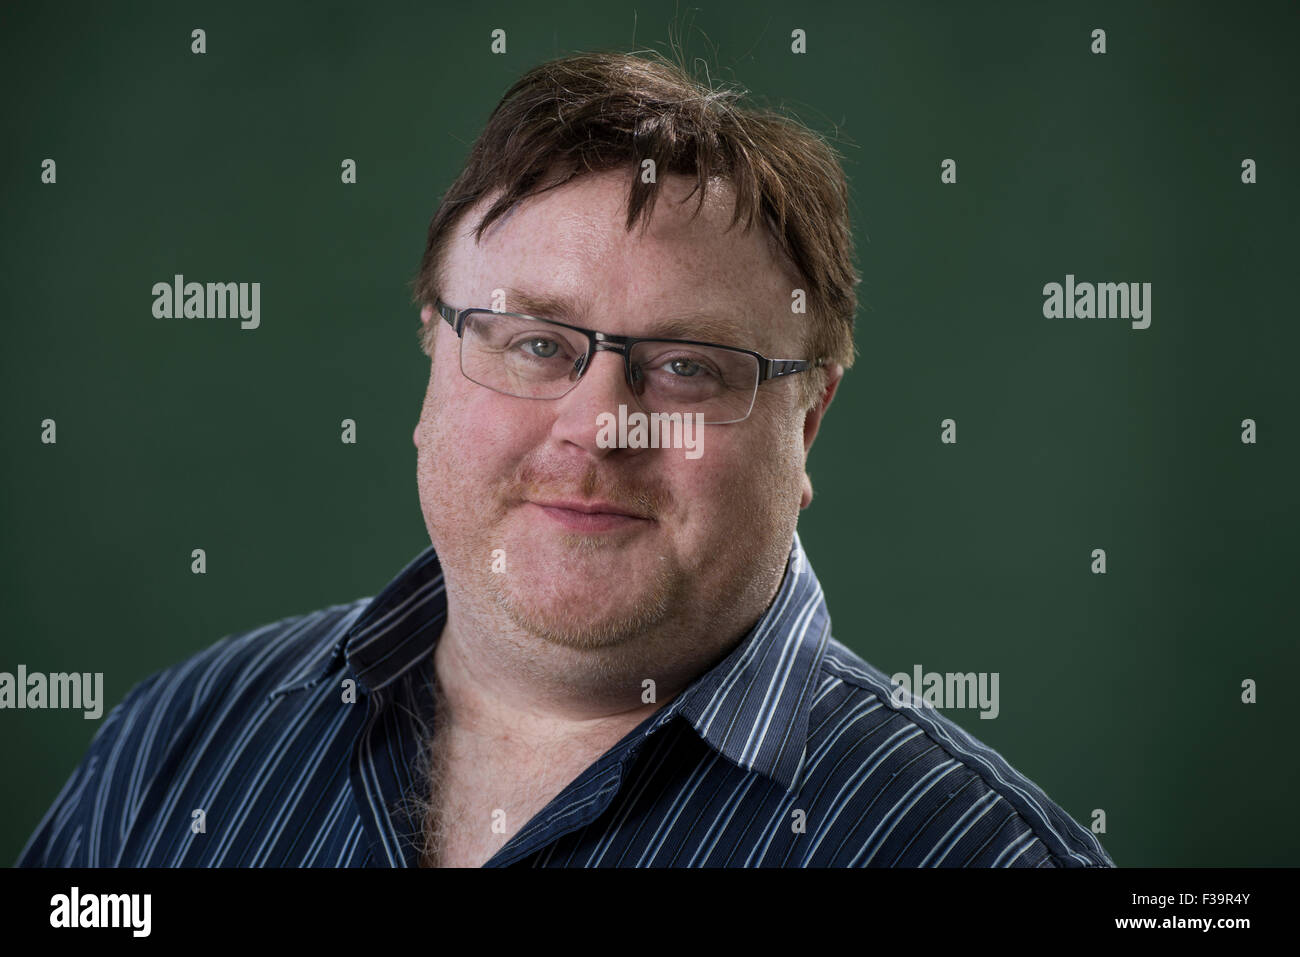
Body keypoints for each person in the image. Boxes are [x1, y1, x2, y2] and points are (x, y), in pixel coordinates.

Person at [17, 50, 1113, 868]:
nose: (598, 427)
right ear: (433, 357)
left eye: (685, 367)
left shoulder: (970, 852)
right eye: (536, 345)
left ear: (808, 423)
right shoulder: (180, 740)